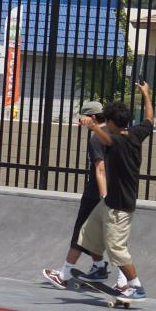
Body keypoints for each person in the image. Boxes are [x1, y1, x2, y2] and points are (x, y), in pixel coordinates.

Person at [76, 81, 155, 302]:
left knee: (116, 248)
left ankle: (136, 287)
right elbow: (150, 119)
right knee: (89, 232)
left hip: (120, 205)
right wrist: (146, 94)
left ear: (110, 122)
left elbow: (107, 139)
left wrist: (92, 127)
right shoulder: (137, 133)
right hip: (109, 202)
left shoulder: (118, 141)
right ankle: (99, 267)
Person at [42, 101, 111, 288]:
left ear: (93, 118)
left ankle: (63, 275)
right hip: (112, 192)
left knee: (80, 232)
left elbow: (100, 168)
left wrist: (103, 196)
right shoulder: (112, 134)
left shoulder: (96, 139)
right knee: (95, 235)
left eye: (84, 117)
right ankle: (99, 267)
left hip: (96, 193)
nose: (81, 121)